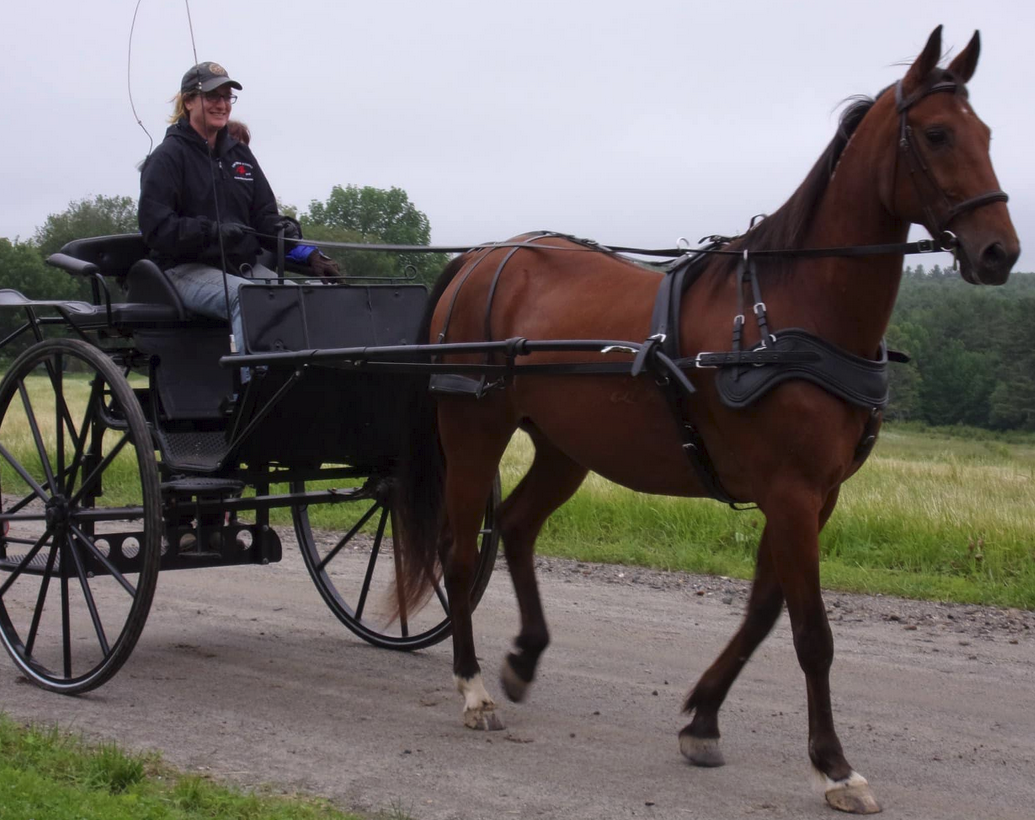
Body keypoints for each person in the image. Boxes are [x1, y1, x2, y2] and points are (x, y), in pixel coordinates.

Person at [137, 61, 338, 359]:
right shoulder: (167, 157)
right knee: (249, 299)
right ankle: (251, 392)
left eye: (226, 97)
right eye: (212, 97)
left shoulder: (239, 155)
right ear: (189, 101)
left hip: (241, 266)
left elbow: (264, 216)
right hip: (183, 270)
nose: (221, 105)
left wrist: (293, 238)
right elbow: (156, 229)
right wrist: (211, 233)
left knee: (304, 298)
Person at [225, 119, 339, 277]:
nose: (241, 153)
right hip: (217, 268)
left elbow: (270, 230)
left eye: (244, 147)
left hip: (251, 266)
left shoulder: (253, 187)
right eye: (235, 145)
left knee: (292, 295)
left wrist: (311, 255)